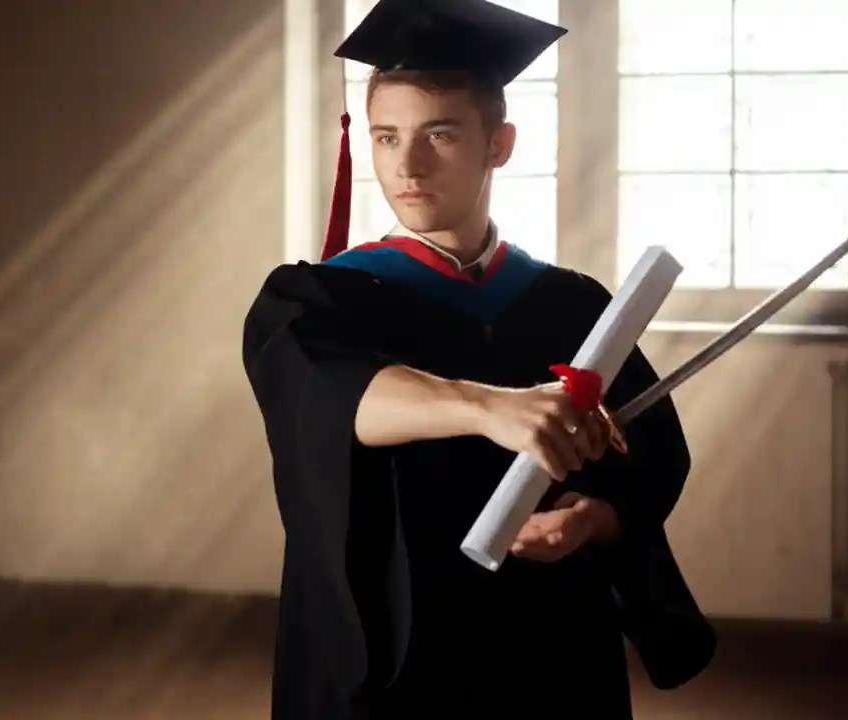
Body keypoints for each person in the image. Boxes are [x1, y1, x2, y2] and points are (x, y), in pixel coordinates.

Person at [242, 1, 713, 717]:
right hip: (400, 658)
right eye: (385, 136)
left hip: (549, 644)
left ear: (500, 143)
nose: (407, 163)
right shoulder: (321, 299)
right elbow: (331, 396)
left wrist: (593, 519)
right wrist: (494, 407)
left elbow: (650, 460)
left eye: (439, 133)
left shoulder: (571, 304)